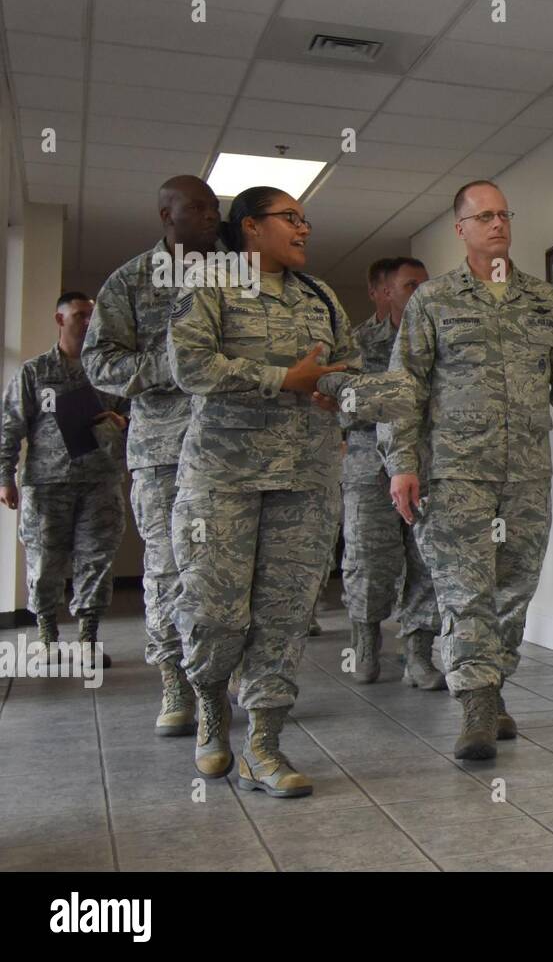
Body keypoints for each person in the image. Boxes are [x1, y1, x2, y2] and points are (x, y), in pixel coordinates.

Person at [167, 185, 414, 797]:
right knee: (216, 614)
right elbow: (190, 366)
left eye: (306, 219)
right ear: (250, 227)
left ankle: (264, 746)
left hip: (305, 479)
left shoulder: (321, 296)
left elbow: (345, 373)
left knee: (282, 615)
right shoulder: (208, 287)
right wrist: (286, 378)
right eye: (290, 219)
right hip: (222, 479)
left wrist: (373, 394)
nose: (304, 229)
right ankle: (211, 710)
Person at [384, 180, 553, 760]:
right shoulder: (434, 301)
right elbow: (405, 388)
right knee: (465, 589)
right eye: (484, 217)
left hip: (526, 473)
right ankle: (477, 705)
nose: (497, 225)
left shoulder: (544, 302)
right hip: (455, 474)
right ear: (461, 229)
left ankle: (492, 683)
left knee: (514, 588)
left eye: (504, 214)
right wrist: (401, 463)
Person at [83, 175, 222, 733]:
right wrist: (174, 366)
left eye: (214, 206)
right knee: (168, 571)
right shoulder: (131, 280)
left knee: (226, 570)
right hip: (163, 450)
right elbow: (99, 363)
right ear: (166, 216)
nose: (210, 215)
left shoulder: (239, 273)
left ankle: (222, 677)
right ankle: (174, 681)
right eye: (196, 207)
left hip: (233, 447)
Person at [0, 292, 129, 668]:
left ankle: (88, 639)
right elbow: (10, 427)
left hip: (100, 483)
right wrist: (5, 477)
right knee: (44, 562)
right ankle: (47, 638)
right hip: (47, 484)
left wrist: (123, 424)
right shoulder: (34, 372)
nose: (88, 322)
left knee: (96, 560)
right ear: (60, 320)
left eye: (92, 315)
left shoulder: (109, 370)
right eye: (79, 315)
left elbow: (136, 417)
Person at [342, 256, 442, 686]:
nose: (421, 290)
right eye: (410, 284)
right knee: (369, 560)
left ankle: (419, 653)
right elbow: (344, 407)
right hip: (369, 471)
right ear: (383, 292)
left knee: (427, 559)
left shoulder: (442, 338)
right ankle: (366, 644)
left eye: (425, 282)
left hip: (429, 464)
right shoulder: (356, 344)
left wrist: (383, 400)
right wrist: (393, 405)